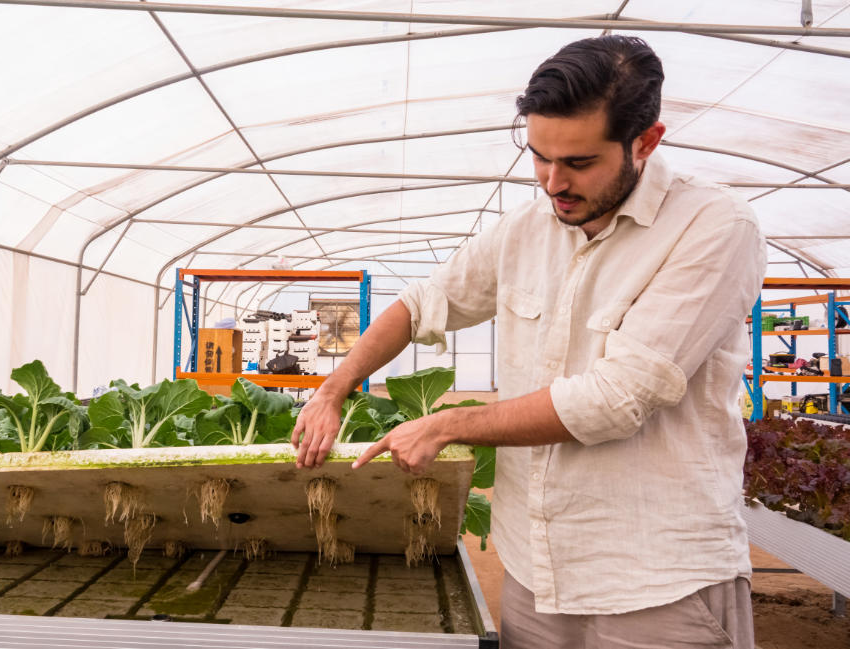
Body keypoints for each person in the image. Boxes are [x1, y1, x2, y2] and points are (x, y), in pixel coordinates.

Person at [292, 35, 765, 648]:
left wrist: (446, 425)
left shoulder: (713, 227)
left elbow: (617, 398)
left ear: (646, 142)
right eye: (539, 156)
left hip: (655, 577)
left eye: (579, 162)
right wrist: (334, 388)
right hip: (535, 568)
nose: (551, 182)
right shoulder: (527, 229)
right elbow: (420, 304)